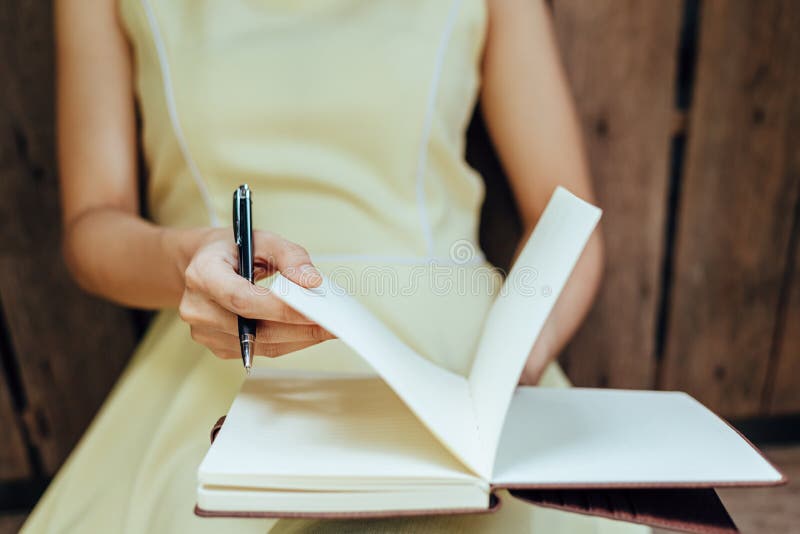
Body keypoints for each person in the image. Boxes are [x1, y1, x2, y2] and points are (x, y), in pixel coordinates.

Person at [22, 0, 647, 532]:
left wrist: (516, 366)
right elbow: (93, 224)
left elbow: (565, 214)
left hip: (463, 363)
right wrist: (183, 258)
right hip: (222, 361)